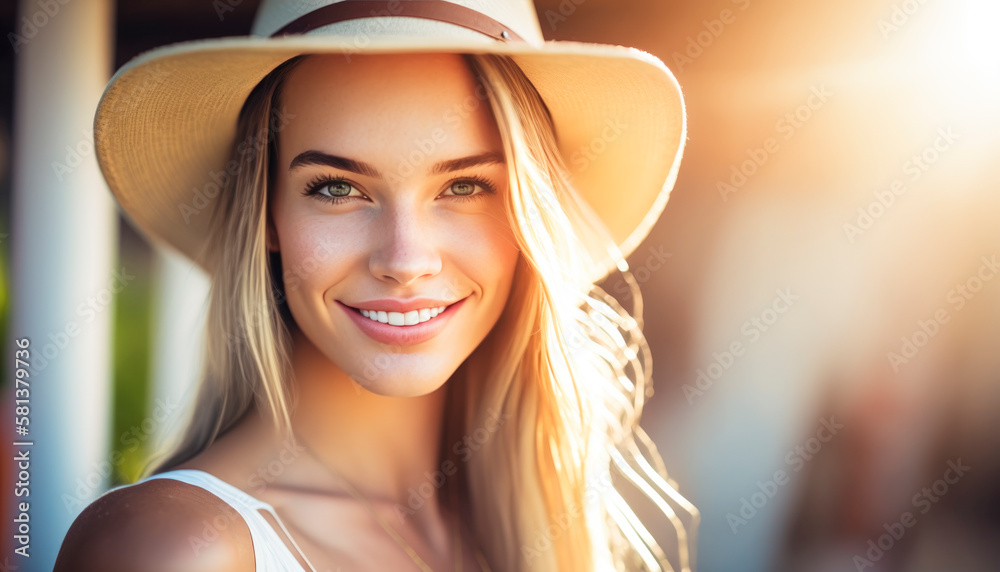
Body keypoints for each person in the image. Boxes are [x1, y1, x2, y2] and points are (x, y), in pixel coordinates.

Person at [55, 1, 697, 570]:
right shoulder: (174, 549)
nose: (405, 259)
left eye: (464, 186)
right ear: (266, 213)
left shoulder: (527, 534)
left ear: (530, 212)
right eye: (337, 188)